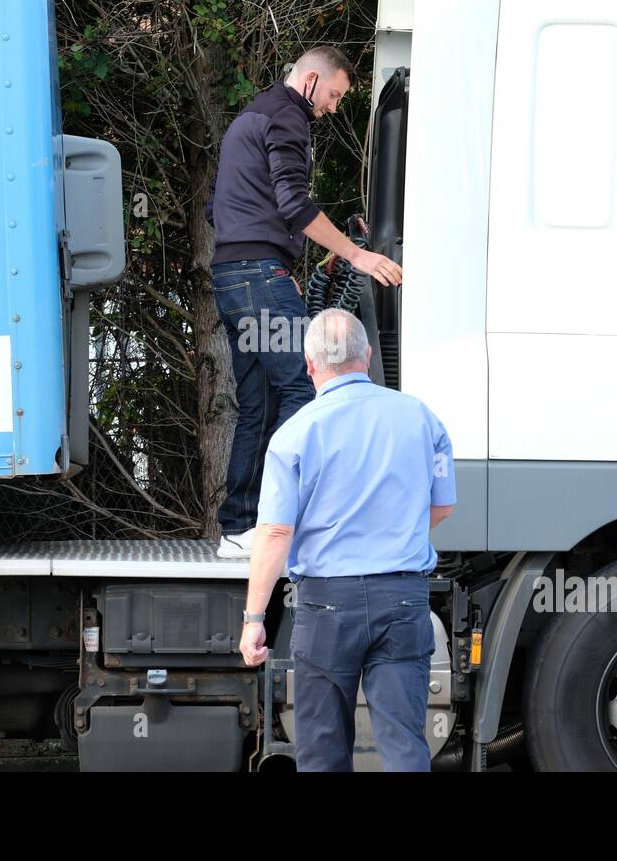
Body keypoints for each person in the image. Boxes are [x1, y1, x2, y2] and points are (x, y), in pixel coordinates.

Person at [237, 309, 457, 771]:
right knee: (404, 742)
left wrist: (254, 617)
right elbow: (441, 507)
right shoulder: (420, 418)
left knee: (321, 748)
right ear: (368, 356)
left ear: (309, 364)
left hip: (326, 607)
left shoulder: (293, 433)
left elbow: (276, 530)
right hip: (402, 599)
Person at [208, 46, 402, 558]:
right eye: (335, 94)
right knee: (305, 384)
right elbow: (295, 204)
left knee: (261, 402)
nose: (334, 107)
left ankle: (237, 527)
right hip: (257, 277)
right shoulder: (287, 116)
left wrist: (270, 268)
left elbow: (218, 206)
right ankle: (280, 523)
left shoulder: (253, 116)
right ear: (311, 80)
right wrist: (355, 255)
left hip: (235, 276)